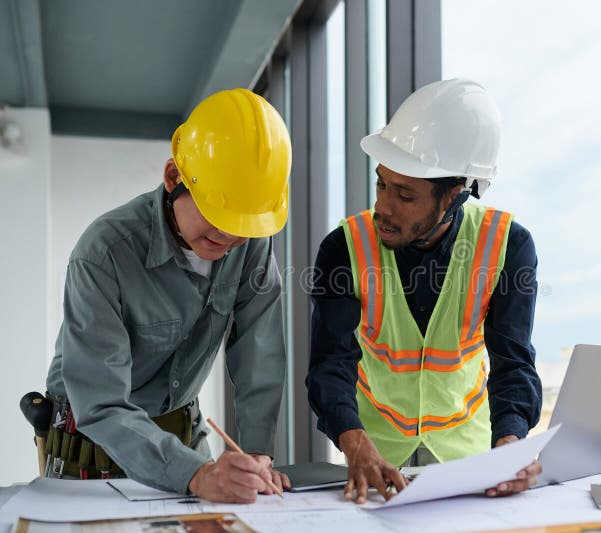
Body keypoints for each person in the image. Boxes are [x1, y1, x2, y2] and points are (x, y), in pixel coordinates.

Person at [44, 89, 291, 503]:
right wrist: (195, 474)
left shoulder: (251, 244)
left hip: (182, 432)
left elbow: (259, 353)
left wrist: (256, 455)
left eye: (241, 225)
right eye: (217, 215)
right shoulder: (104, 254)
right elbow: (101, 403)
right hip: (89, 441)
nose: (229, 237)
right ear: (175, 178)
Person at [307, 79, 543, 504]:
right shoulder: (344, 247)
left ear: (455, 194)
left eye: (405, 194)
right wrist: (353, 441)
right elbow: (330, 364)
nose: (384, 206)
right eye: (382, 184)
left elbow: (513, 362)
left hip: (466, 454)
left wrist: (510, 444)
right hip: (372, 450)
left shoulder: (507, 246)